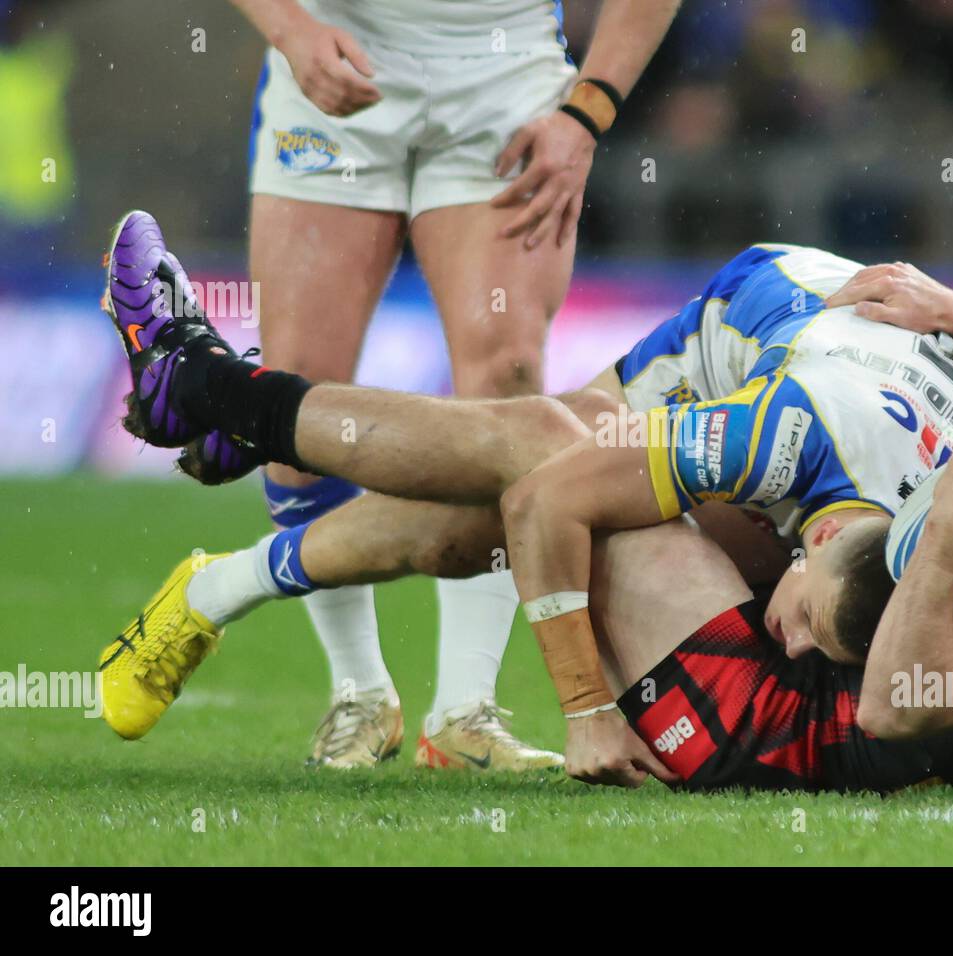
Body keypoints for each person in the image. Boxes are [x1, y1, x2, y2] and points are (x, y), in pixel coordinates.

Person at [97, 213, 953, 791]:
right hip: (809, 628)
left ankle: (211, 393)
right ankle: (220, 551)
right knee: (560, 450)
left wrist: (586, 707)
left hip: (776, 721)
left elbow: (900, 705)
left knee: (549, 454)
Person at [207, 0, 682, 770]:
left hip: (501, 77)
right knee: (295, 402)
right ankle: (359, 692)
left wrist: (586, 112)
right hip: (336, 62)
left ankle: (464, 712)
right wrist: (292, 30)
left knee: (507, 381)